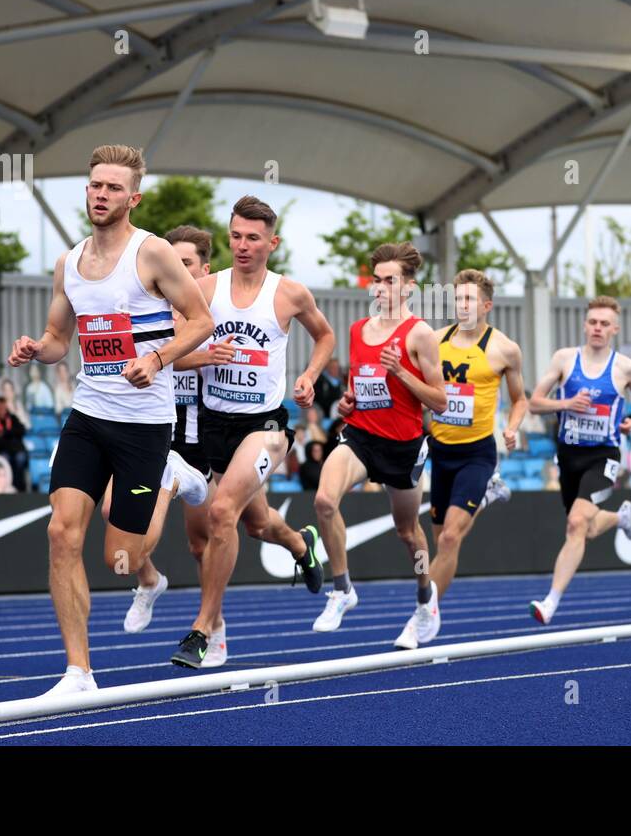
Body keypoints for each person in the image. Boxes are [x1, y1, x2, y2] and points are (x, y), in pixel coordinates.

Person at [7, 144, 213, 696]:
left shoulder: (154, 255)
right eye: (95, 185)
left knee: (120, 560)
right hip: (88, 413)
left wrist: (157, 358)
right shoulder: (68, 263)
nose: (101, 194)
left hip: (144, 424)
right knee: (60, 532)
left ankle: (171, 480)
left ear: (133, 197)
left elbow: (202, 320)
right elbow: (59, 340)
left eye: (113, 188)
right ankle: (79, 672)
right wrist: (36, 347)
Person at [169, 196, 334, 669]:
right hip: (214, 424)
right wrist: (205, 355)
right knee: (257, 524)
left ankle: (203, 630)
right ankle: (302, 544)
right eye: (236, 236)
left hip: (265, 427)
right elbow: (172, 356)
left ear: (272, 243)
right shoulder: (203, 287)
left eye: (253, 238)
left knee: (222, 512)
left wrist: (308, 376)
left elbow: (324, 336)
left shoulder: (289, 294)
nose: (242, 245)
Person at [312, 242, 447, 636]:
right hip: (361, 437)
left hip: (403, 446)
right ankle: (342, 590)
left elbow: (439, 401)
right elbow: (358, 388)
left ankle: (425, 596)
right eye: (377, 280)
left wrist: (402, 372)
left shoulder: (420, 334)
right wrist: (347, 403)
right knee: (323, 500)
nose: (381, 288)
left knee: (407, 532)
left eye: (390, 281)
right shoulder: (357, 330)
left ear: (408, 288)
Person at [398, 268, 525, 648]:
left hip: (477, 453)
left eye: (470, 299)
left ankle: (420, 616)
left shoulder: (504, 349)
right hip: (441, 453)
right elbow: (417, 389)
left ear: (486, 305)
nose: (462, 305)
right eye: (458, 298)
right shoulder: (435, 341)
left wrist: (513, 427)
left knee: (451, 537)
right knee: (442, 543)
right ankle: (487, 496)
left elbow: (521, 399)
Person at [103, 223, 215, 634]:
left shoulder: (214, 313)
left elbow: (182, 350)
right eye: (173, 262)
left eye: (186, 263)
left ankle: (210, 624)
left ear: (204, 269)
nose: (177, 270)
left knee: (206, 541)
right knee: (113, 510)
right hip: (154, 434)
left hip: (208, 442)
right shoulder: (150, 306)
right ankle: (149, 580)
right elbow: (149, 355)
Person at [527, 295, 631, 624]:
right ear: (585, 325)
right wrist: (566, 404)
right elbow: (535, 403)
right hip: (569, 456)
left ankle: (550, 601)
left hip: (604, 457)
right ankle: (623, 518)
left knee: (576, 523)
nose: (597, 328)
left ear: (614, 329)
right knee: (585, 528)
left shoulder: (626, 367)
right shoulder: (565, 359)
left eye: (604, 324)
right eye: (593, 322)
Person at [0, 396, 30, 492]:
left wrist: (4, 434)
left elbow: (21, 430)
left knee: (20, 458)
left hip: (16, 450)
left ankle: (20, 489)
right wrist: (10, 436)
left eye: (3, 408)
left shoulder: (12, 418)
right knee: (4, 460)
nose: (1, 410)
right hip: (0, 451)